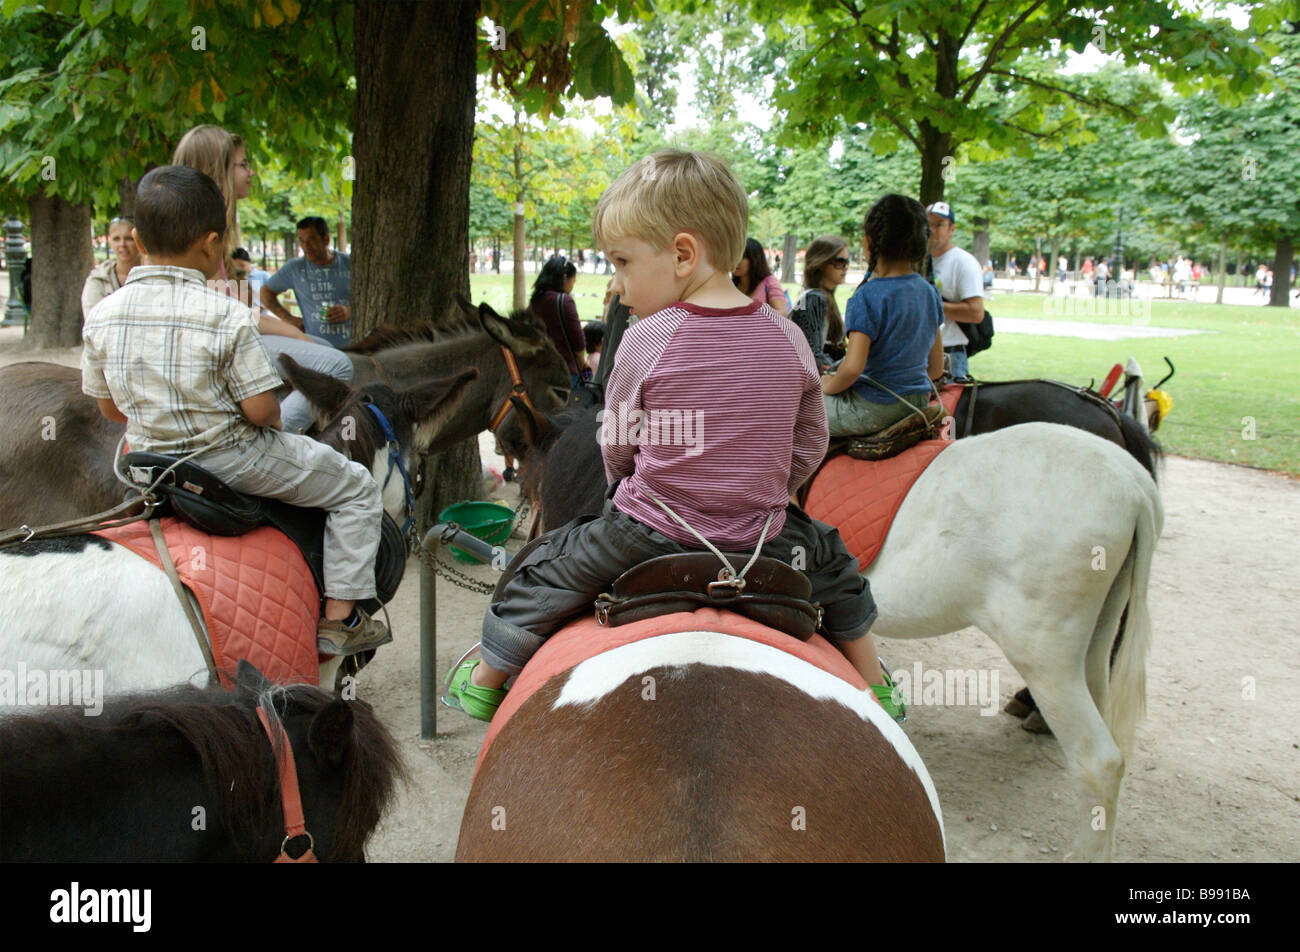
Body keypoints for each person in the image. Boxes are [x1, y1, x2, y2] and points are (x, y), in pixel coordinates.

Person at [444, 149, 900, 721]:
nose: (616, 284)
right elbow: (808, 441)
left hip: (647, 534)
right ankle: (874, 682)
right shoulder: (788, 339)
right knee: (836, 570)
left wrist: (623, 490)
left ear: (683, 254)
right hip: (764, 536)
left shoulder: (647, 339)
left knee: (543, 569)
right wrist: (765, 493)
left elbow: (616, 444)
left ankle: (486, 679)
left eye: (622, 262)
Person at [80, 165, 391, 656]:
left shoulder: (102, 314)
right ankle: (342, 618)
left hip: (146, 464)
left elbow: (108, 408)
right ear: (211, 245)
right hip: (229, 459)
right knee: (354, 487)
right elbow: (261, 412)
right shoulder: (226, 314)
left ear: (138, 239)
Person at [173, 125, 354, 435]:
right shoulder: (203, 237)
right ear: (219, 170)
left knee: (321, 345)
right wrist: (291, 330)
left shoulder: (211, 230)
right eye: (242, 164)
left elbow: (235, 305)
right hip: (215, 344)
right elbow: (228, 313)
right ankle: (271, 439)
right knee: (337, 365)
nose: (251, 172)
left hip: (227, 336)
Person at [822, 195, 944, 437]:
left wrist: (827, 385)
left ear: (869, 243)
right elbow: (936, 368)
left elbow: (852, 368)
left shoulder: (867, 296)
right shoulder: (930, 293)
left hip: (873, 408)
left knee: (793, 410)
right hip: (918, 403)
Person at [260, 216, 353, 348]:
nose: (306, 246)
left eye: (312, 240)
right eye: (302, 241)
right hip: (316, 347)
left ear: (326, 239)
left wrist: (350, 311)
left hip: (354, 346)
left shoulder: (350, 263)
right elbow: (265, 292)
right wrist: (288, 318)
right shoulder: (295, 268)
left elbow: (372, 298)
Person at [925, 201, 985, 381]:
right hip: (921, 353)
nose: (932, 230)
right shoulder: (919, 261)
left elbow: (975, 313)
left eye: (939, 225)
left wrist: (929, 306)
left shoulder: (963, 262)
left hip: (950, 354)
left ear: (952, 229)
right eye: (927, 224)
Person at [789, 235, 849, 372]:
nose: (845, 267)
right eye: (840, 262)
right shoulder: (813, 299)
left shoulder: (824, 296)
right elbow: (812, 357)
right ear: (821, 262)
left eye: (847, 261)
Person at [530, 255, 587, 386]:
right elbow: (578, 341)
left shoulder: (535, 300)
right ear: (564, 277)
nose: (573, 284)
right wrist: (582, 363)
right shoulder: (564, 300)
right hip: (565, 370)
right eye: (573, 280)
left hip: (539, 370)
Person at [82, 216, 142, 319]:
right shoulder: (98, 279)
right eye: (116, 239)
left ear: (139, 240)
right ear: (110, 241)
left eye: (129, 239)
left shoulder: (154, 275)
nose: (122, 244)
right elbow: (93, 320)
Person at [733, 237, 789, 316]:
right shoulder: (730, 284)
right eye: (733, 256)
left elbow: (782, 312)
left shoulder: (769, 282)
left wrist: (755, 319)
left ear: (754, 259)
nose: (736, 261)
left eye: (742, 257)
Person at [231, 247, 270, 315]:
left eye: (242, 265)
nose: (240, 269)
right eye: (237, 266)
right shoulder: (235, 279)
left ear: (249, 261)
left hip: (262, 317)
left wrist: (262, 307)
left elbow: (273, 297)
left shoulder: (263, 276)